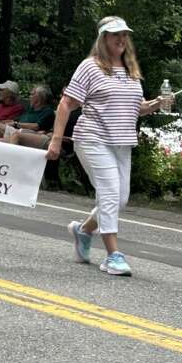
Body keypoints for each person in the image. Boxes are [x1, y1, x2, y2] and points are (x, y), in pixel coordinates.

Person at [46, 16, 165, 277]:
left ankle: (83, 231)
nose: (121, 39)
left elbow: (136, 108)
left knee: (120, 200)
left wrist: (156, 103)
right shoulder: (90, 67)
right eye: (115, 35)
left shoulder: (130, 70)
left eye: (124, 35)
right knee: (110, 194)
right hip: (93, 139)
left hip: (122, 142)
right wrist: (56, 139)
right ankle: (113, 256)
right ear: (103, 39)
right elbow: (66, 103)